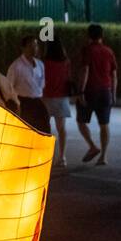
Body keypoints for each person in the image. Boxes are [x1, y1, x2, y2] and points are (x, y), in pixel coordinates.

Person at [77, 23, 118, 165]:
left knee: (81, 121)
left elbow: (85, 71)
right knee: (104, 124)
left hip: (90, 90)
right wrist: (113, 93)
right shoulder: (109, 51)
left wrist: (81, 91)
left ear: (89, 36)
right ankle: (104, 156)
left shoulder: (87, 50)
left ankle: (93, 146)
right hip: (106, 91)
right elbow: (114, 74)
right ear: (102, 36)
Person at [7, 36, 50, 134]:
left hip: (38, 102)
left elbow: (41, 86)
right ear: (23, 48)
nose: (34, 48)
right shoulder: (16, 66)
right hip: (23, 103)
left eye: (36, 45)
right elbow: (9, 88)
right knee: (26, 132)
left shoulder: (40, 64)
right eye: (31, 46)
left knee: (43, 131)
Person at [42, 39, 74, 167]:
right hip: (61, 97)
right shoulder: (66, 63)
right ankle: (62, 156)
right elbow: (68, 78)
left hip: (46, 96)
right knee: (61, 128)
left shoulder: (44, 63)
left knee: (45, 128)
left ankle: (45, 156)